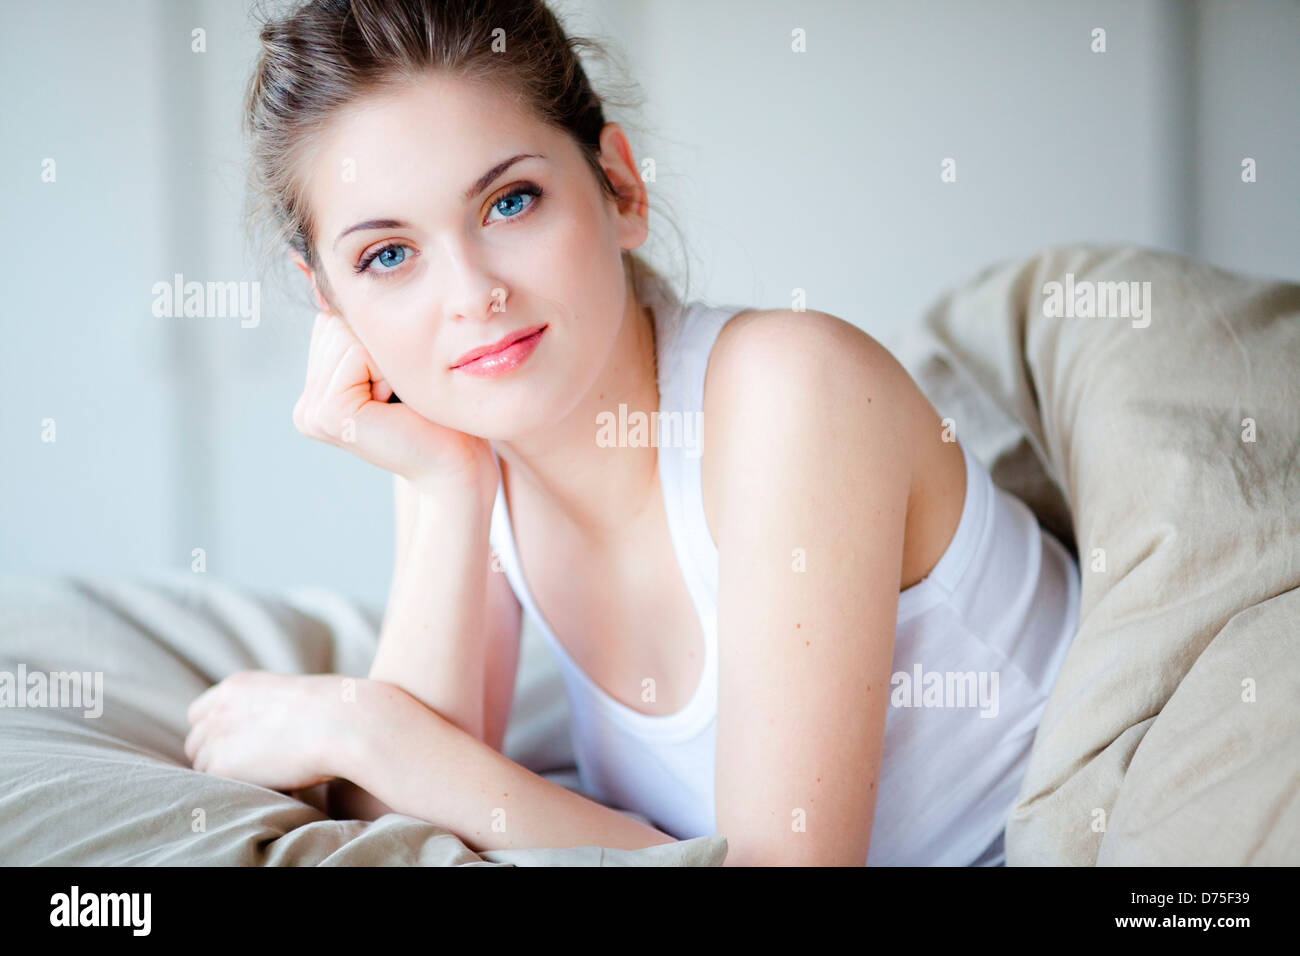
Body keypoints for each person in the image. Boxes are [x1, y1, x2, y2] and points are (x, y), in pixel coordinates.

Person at [184, 0, 1079, 866]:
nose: (470, 296)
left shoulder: (793, 394)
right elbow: (395, 823)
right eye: (388, 255)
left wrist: (360, 724)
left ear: (619, 186)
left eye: (509, 202)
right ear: (330, 301)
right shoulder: (455, 446)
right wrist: (448, 489)